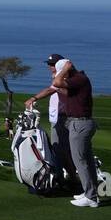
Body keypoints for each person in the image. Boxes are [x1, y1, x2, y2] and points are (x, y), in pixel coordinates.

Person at [27, 56, 100, 208]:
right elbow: (56, 87)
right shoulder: (75, 81)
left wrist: (64, 70)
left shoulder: (79, 79)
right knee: (85, 160)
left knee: (81, 160)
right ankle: (90, 193)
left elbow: (56, 83)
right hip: (78, 123)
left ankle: (91, 196)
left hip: (80, 124)